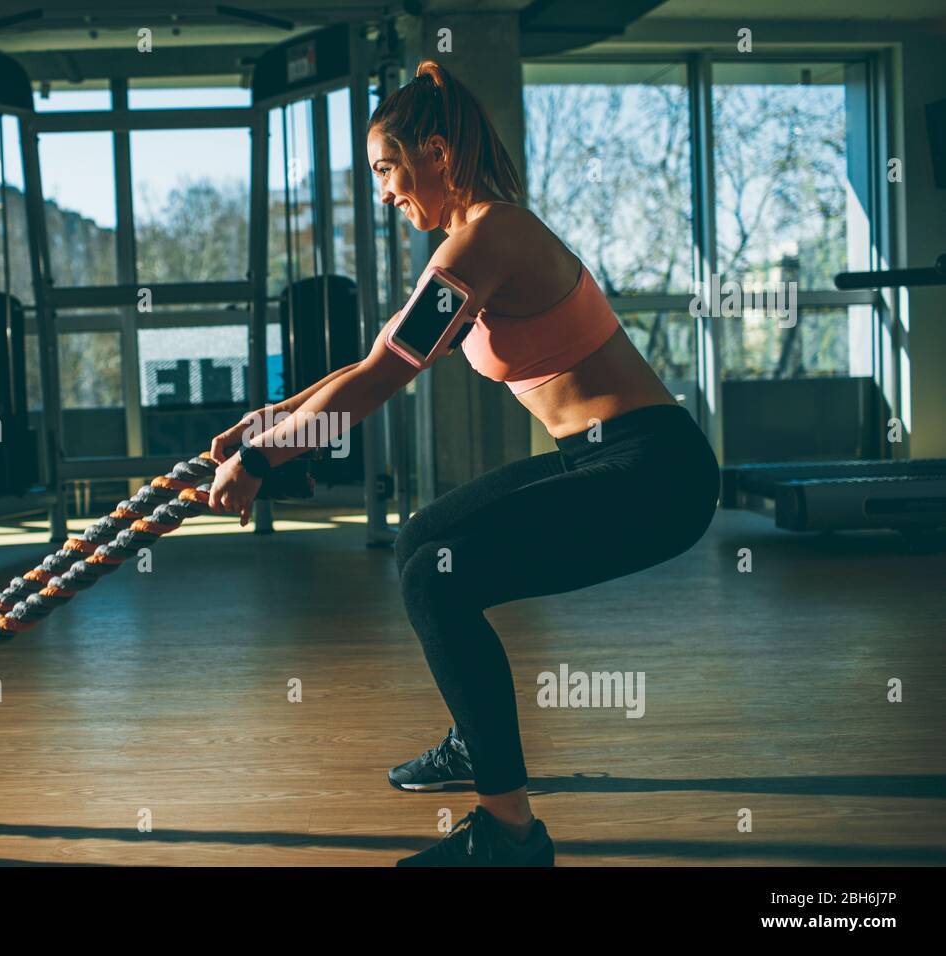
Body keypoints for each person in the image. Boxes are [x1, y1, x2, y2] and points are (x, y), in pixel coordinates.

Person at [208, 60, 721, 866]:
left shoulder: (491, 240)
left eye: (386, 169)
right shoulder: (473, 240)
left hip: (654, 473)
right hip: (601, 458)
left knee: (433, 577)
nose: (382, 192)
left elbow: (382, 380)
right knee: (423, 541)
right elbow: (374, 356)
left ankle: (510, 835)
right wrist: (264, 426)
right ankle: (475, 743)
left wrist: (265, 458)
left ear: (437, 154)